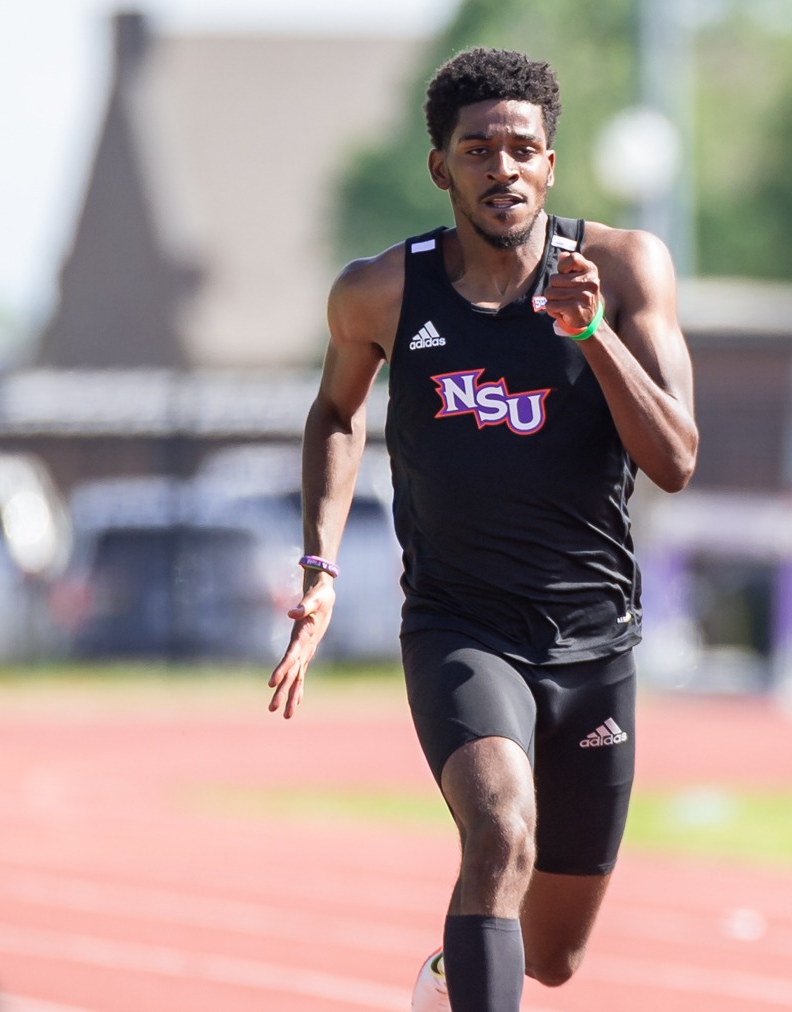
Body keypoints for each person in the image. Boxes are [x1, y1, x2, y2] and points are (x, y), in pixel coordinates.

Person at [267, 47, 696, 1012]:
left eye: (521, 149)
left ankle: (454, 976)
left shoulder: (624, 269)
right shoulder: (381, 292)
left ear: (550, 164)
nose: (501, 168)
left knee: (554, 955)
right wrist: (319, 566)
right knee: (499, 832)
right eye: (477, 151)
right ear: (440, 168)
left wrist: (591, 335)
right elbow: (335, 412)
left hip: (593, 640)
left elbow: (675, 459)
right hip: (461, 628)